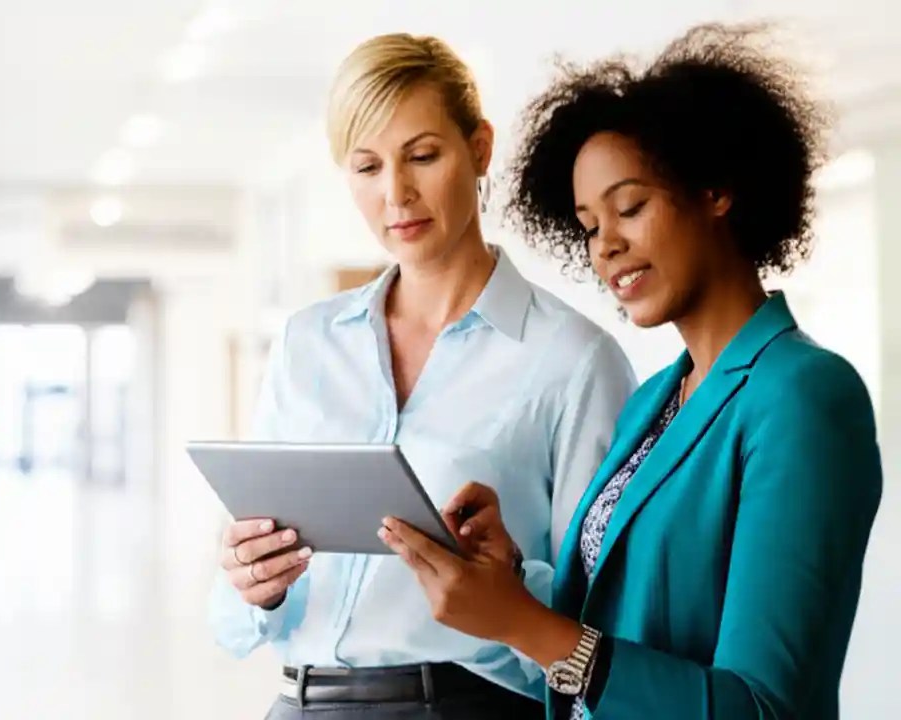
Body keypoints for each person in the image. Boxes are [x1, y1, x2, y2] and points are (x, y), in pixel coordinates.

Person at [378, 23, 883, 719]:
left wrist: (518, 622)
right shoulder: (655, 401)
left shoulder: (802, 394)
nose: (606, 245)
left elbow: (761, 708)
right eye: (587, 224)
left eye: (630, 207)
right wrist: (510, 584)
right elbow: (616, 631)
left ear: (716, 190)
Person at [209, 33, 637, 719]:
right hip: (300, 702)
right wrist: (256, 579)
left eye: (423, 156)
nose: (396, 193)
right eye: (367, 167)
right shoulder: (308, 343)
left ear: (480, 149)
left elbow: (599, 621)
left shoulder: (572, 361)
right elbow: (241, 605)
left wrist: (504, 586)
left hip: (467, 705)